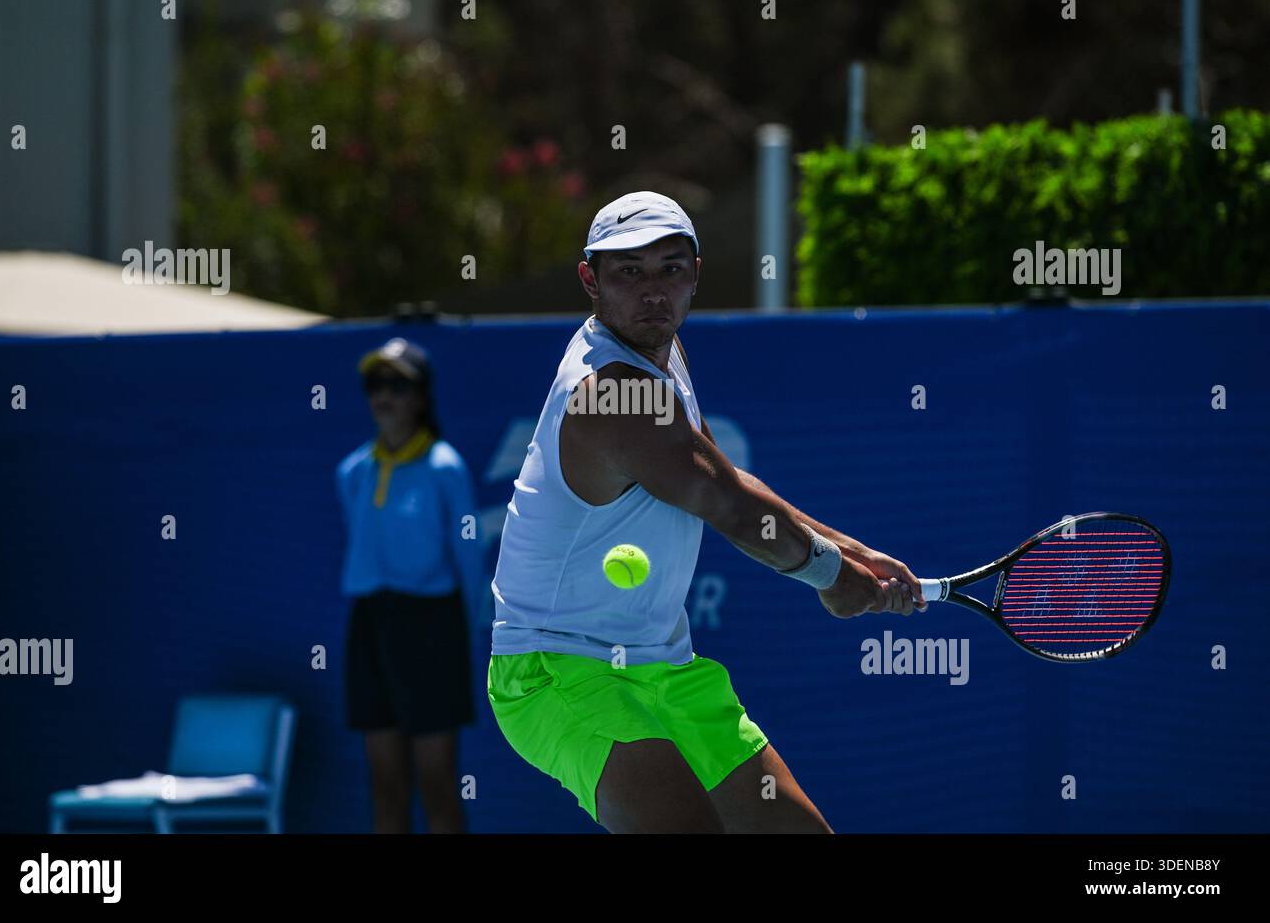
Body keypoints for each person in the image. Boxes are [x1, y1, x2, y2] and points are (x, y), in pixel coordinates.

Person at [486, 191, 928, 833]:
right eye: (628, 272)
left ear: (696, 273)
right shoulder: (612, 391)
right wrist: (830, 577)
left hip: (665, 666)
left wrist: (852, 550)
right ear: (591, 280)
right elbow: (724, 505)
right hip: (555, 669)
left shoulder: (664, 356)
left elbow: (725, 476)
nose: (653, 292)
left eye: (670, 269)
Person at [336, 337, 485, 833]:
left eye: (398, 385)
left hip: (431, 629)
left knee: (439, 785)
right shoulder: (352, 471)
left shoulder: (446, 468)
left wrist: (472, 636)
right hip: (369, 627)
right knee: (384, 785)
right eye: (375, 384)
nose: (385, 396)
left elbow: (468, 561)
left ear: (421, 397)